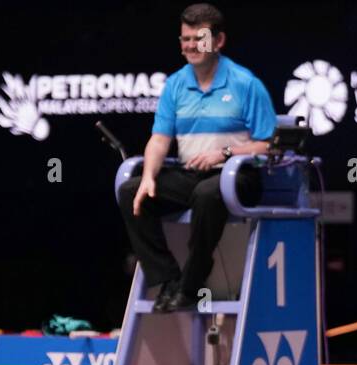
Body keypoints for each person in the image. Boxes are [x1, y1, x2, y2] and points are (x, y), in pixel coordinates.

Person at [117, 3, 276, 312]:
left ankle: (192, 284)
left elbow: (268, 145)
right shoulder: (176, 84)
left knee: (206, 194)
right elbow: (160, 139)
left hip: (236, 176)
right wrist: (149, 176)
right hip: (192, 176)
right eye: (185, 39)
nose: (191, 46)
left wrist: (225, 152)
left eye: (199, 38)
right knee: (130, 191)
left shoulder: (245, 84)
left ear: (218, 41)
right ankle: (168, 280)